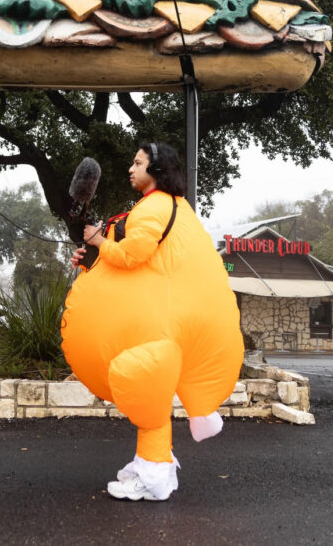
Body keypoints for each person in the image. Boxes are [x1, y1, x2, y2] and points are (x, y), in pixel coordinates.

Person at [62, 142, 244, 501]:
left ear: (157, 170)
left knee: (146, 395)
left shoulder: (156, 207)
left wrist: (99, 239)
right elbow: (138, 258)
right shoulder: (163, 206)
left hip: (157, 331)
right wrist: (93, 255)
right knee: (149, 397)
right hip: (162, 325)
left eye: (138, 163)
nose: (131, 169)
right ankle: (151, 464)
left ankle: (155, 471)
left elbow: (133, 255)